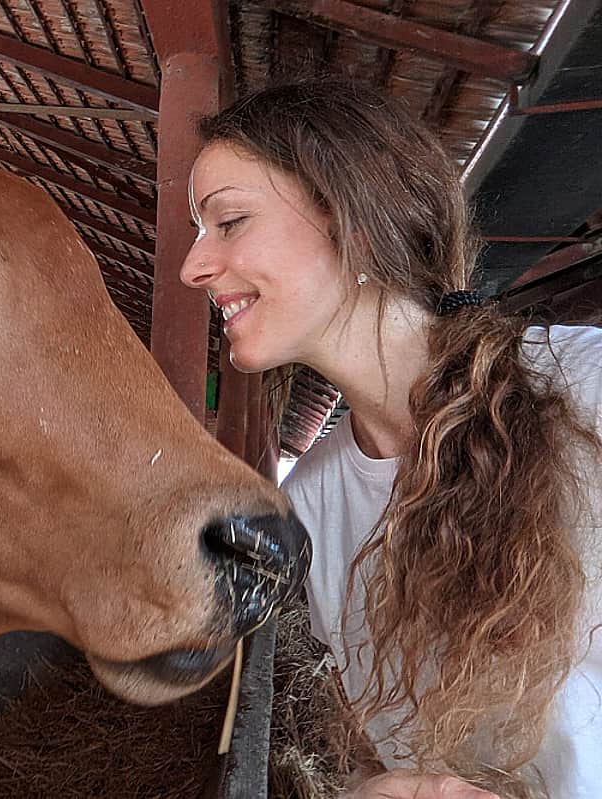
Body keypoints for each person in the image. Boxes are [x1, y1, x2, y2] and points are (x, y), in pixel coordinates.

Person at [177, 79, 602, 799]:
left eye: (230, 221)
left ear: (356, 220)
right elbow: (383, 749)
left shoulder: (586, 388)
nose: (192, 266)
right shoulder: (310, 502)